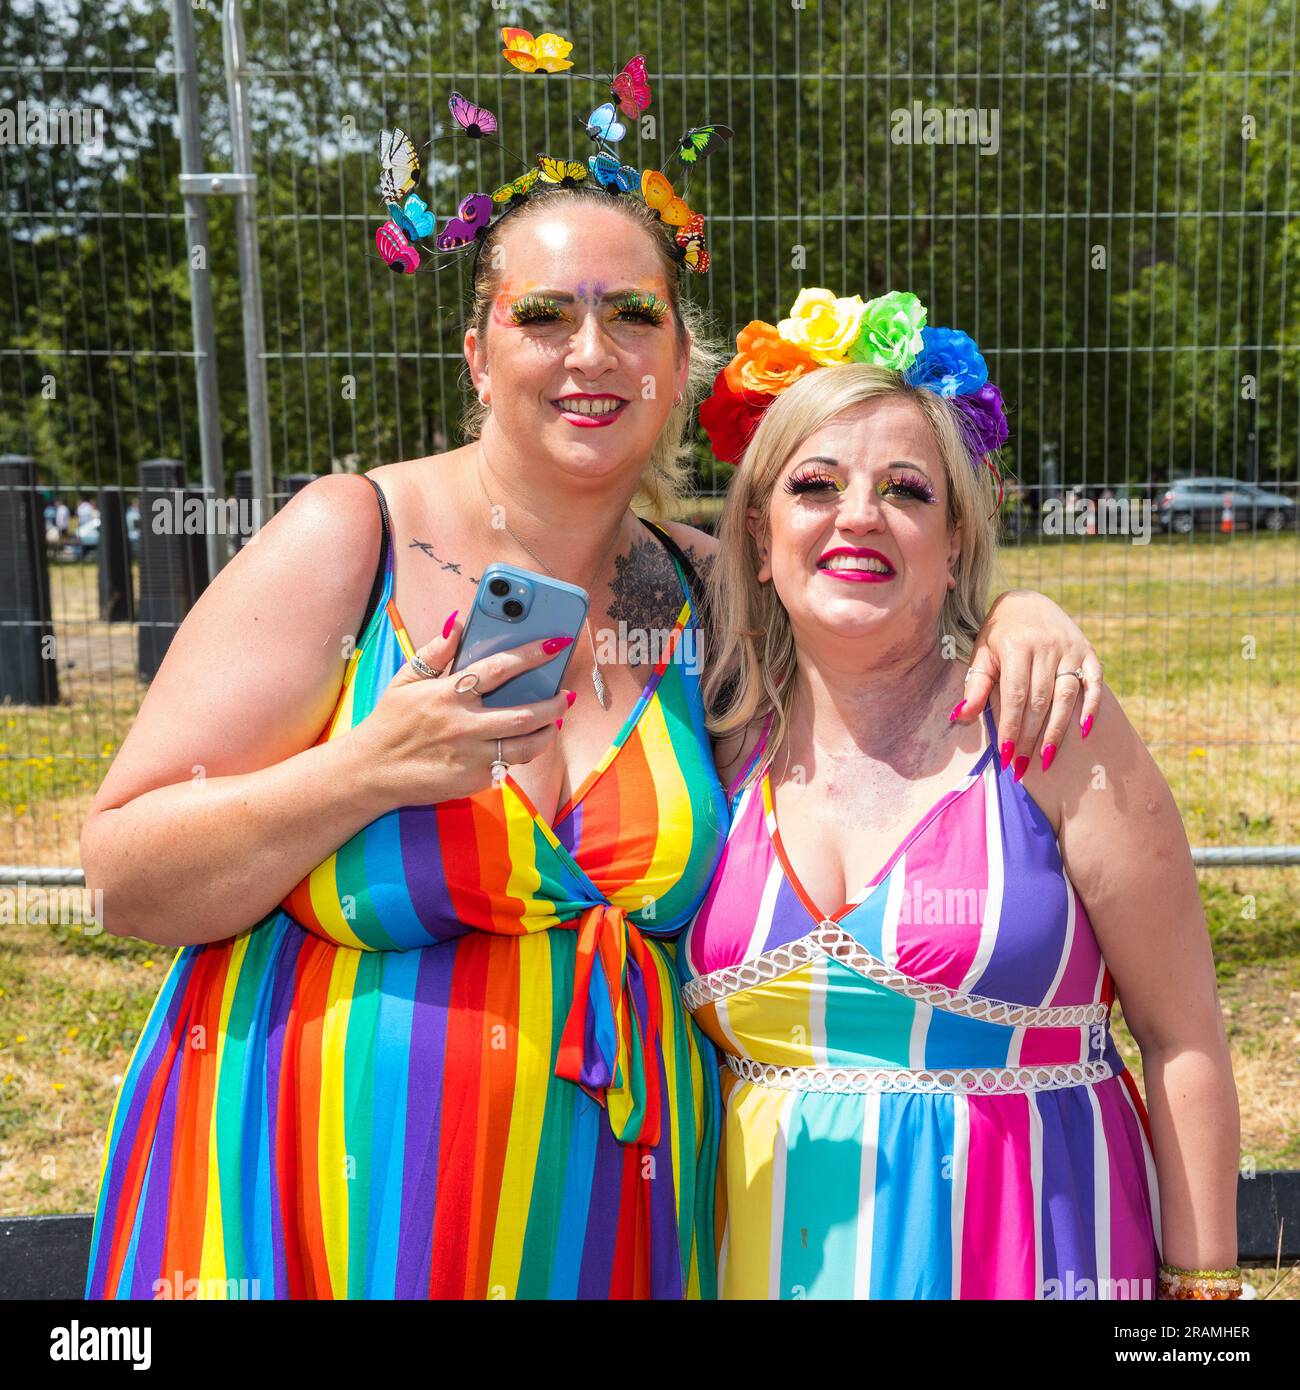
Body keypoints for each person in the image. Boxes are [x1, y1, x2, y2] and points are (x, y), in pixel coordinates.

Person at [78, 51, 1105, 1300]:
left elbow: (886, 652)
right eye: (544, 314)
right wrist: (357, 772)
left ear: (681, 361)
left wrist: (1018, 616)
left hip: (615, 1228)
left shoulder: (709, 591)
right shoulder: (352, 539)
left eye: (632, 314)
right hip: (327, 1213)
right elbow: (125, 871)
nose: (591, 351)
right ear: (475, 352)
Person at [681, 303, 1241, 1300]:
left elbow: (1182, 1036)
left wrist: (1203, 1307)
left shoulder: (1051, 725)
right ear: (759, 541)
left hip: (1040, 1260)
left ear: (951, 547)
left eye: (906, 490)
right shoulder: (712, 746)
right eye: (814, 485)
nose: (857, 514)